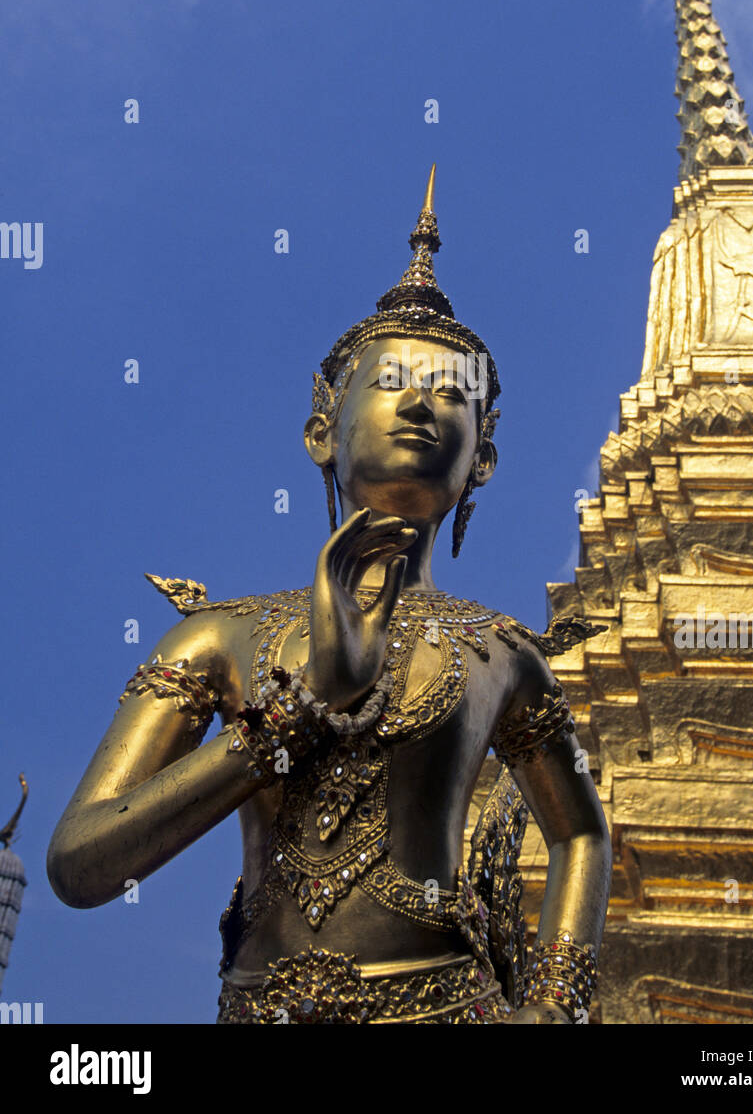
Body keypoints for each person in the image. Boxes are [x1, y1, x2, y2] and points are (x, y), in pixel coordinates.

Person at [48, 167, 611, 1024]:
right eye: (389, 383)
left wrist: (553, 1006)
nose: (422, 403)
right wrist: (300, 710)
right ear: (322, 432)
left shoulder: (500, 652)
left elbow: (580, 833)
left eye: (454, 394)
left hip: (451, 1007)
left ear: (482, 461)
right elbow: (83, 865)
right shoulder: (224, 638)